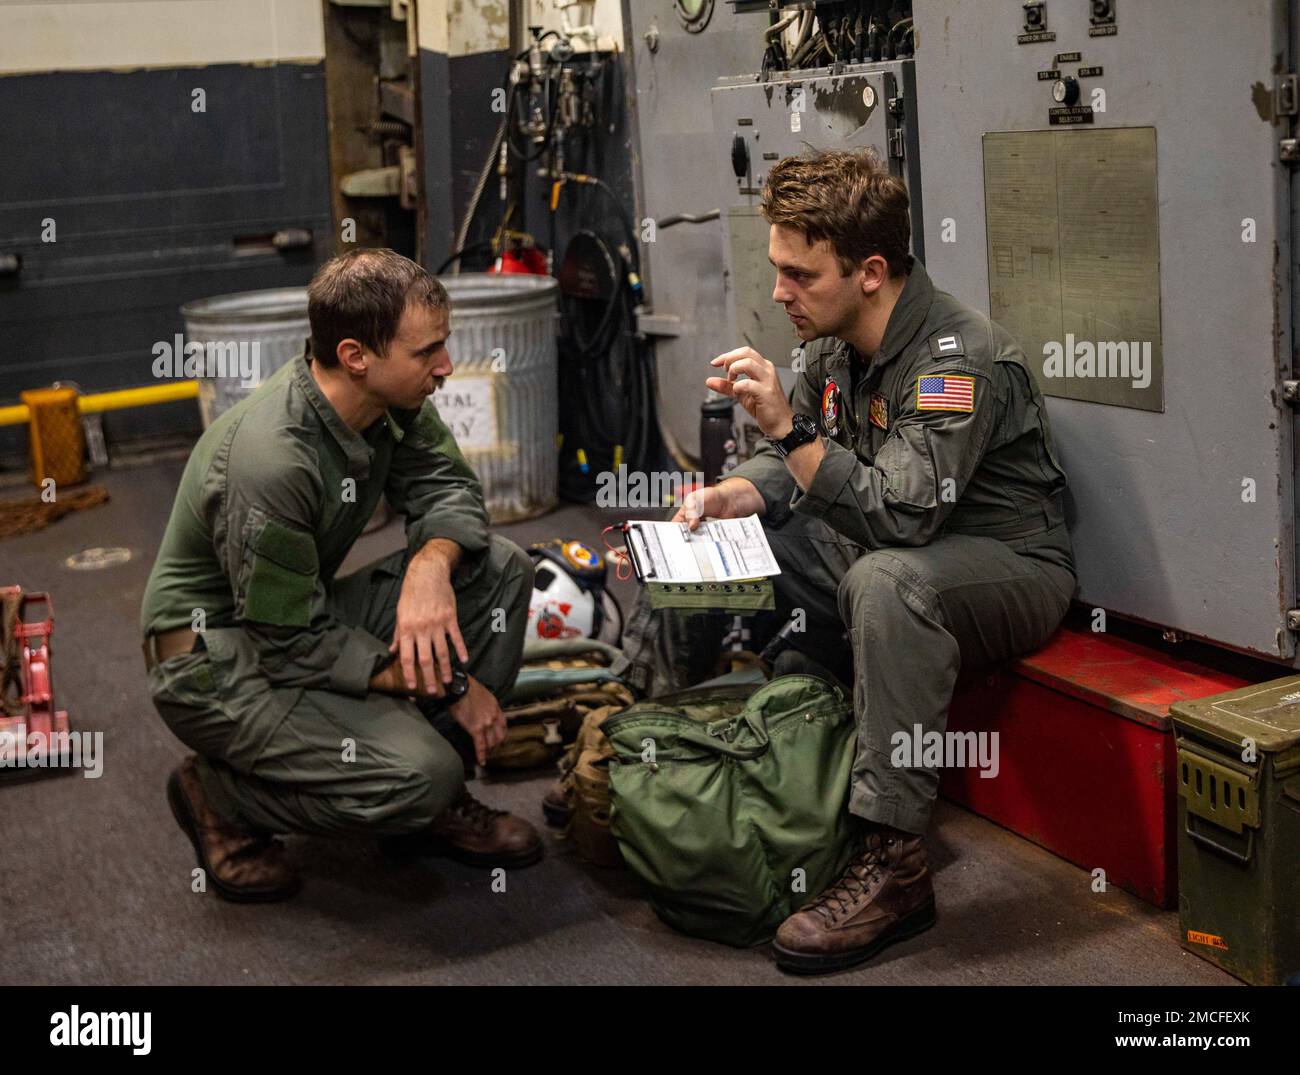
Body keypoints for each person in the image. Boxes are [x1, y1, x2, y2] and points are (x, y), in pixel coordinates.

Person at [645, 149, 1077, 973]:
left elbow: (903, 516)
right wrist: (733, 493)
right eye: (778, 270)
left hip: (1004, 562)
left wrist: (786, 430)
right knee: (706, 540)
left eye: (799, 275)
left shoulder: (958, 360)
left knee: (884, 582)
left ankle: (895, 864)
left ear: (870, 271)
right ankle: (665, 740)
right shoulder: (828, 345)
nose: (780, 293)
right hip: (892, 545)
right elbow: (798, 466)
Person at [140, 248, 542, 902]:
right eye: (427, 353)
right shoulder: (274, 460)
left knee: (498, 570)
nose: (445, 366)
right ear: (357, 355)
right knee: (422, 772)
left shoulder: (391, 397)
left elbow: (449, 489)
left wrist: (430, 564)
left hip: (295, 620)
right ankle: (221, 796)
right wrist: (448, 685)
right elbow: (286, 642)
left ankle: (419, 809)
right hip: (214, 660)